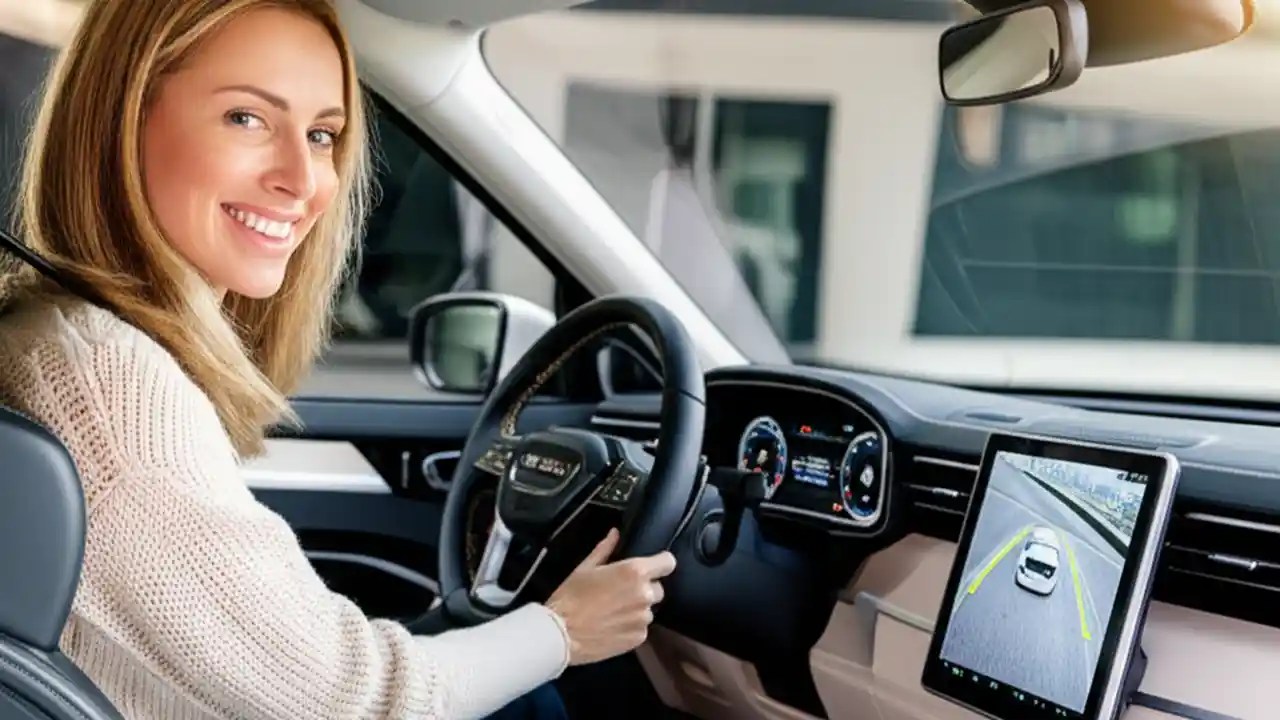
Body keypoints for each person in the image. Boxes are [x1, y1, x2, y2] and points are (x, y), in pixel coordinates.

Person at [0, 1, 677, 719]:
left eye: (323, 134)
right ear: (122, 118)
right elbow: (339, 698)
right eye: (247, 118)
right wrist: (561, 631)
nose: (303, 179)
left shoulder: (59, 336)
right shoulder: (116, 387)